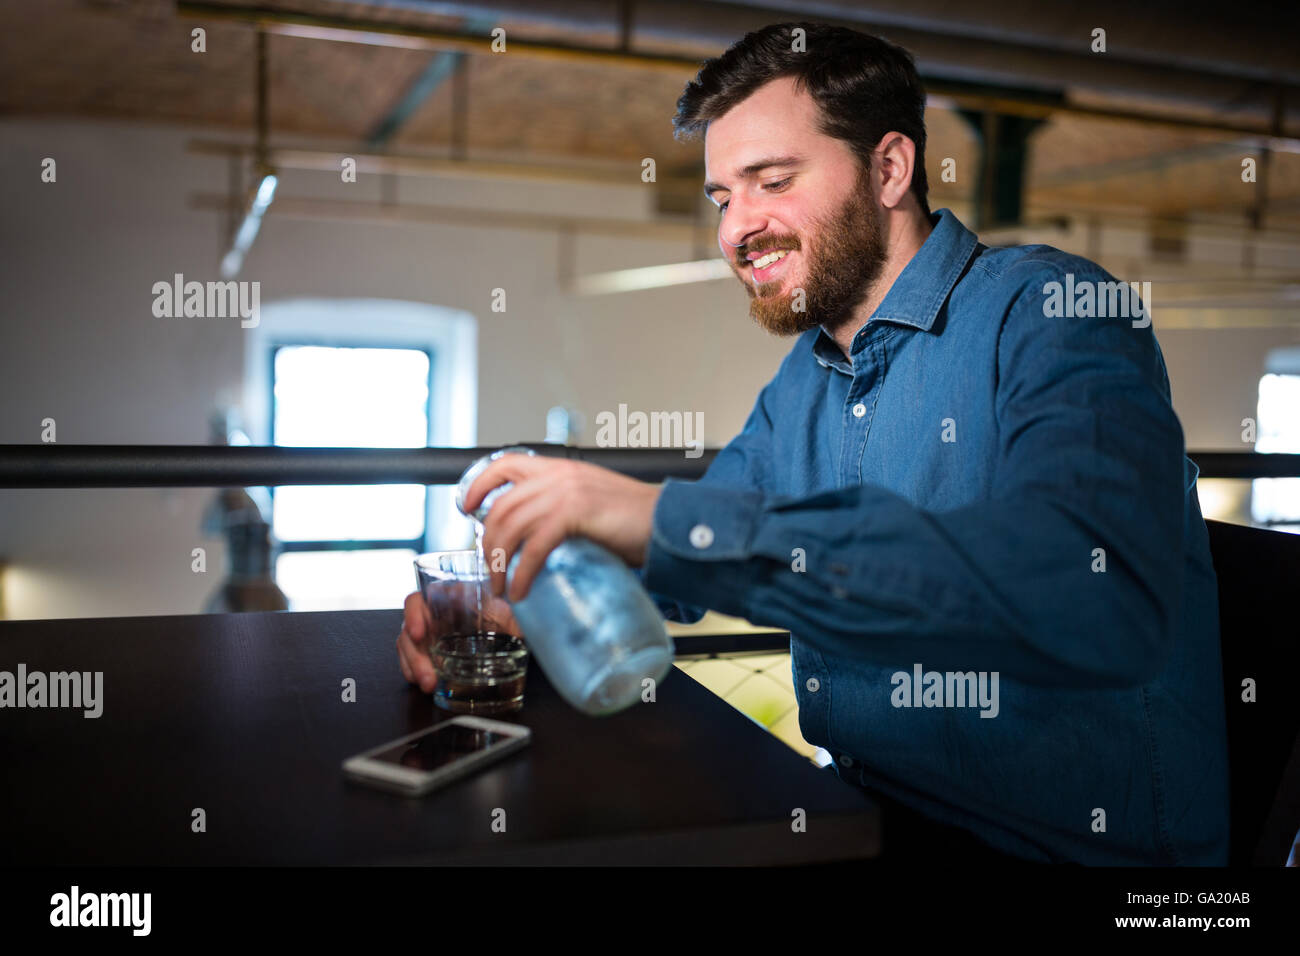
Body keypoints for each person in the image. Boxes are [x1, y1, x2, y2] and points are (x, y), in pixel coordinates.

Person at [396, 22, 1229, 866]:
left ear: (889, 169)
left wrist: (660, 518)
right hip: (858, 814)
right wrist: (509, 610)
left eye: (772, 182)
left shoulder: (1053, 311)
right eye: (724, 198)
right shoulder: (807, 376)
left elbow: (1092, 588)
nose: (736, 230)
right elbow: (679, 560)